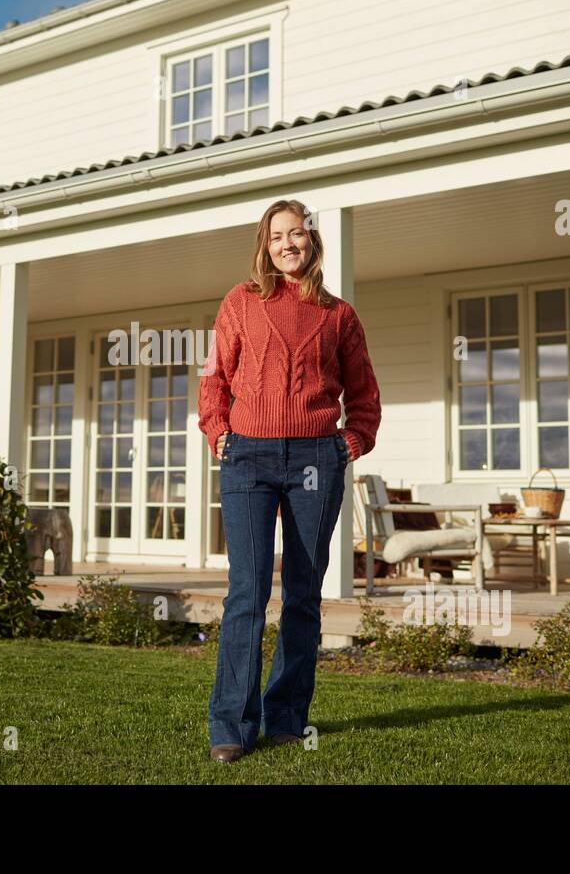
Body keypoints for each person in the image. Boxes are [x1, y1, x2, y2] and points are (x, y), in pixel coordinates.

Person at [198, 198, 381, 763]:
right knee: (247, 594)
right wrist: (218, 430)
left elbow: (365, 396)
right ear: (264, 243)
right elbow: (214, 379)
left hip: (314, 461)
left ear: (312, 241)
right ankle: (231, 725)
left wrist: (348, 443)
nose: (287, 244)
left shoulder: (339, 316)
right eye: (277, 236)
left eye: (296, 234)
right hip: (248, 459)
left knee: (303, 594)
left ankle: (285, 717)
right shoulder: (240, 302)